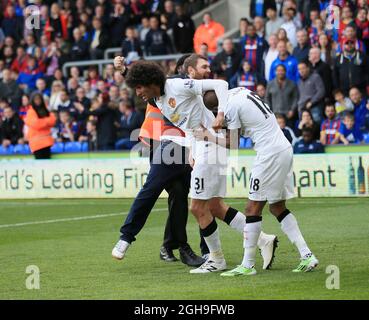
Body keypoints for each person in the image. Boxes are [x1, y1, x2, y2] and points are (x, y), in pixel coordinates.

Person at [112, 56, 278, 273]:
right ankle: (263, 240)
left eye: (140, 87)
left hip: (210, 144)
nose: (137, 93)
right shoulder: (158, 99)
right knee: (215, 206)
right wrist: (191, 148)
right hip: (201, 146)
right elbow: (188, 123)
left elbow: (221, 84)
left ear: (151, 82)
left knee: (197, 206)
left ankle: (216, 260)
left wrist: (220, 115)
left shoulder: (178, 85)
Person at [199, 88, 318, 276]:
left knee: (252, 208)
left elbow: (234, 143)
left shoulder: (229, 108)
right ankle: (307, 255)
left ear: (215, 109)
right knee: (277, 207)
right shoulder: (239, 91)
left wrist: (208, 136)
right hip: (283, 148)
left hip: (269, 154)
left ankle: (247, 265)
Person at [111, 56, 205, 267]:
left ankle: (186, 248)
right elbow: (146, 88)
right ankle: (127, 237)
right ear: (187, 69)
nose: (206, 70)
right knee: (153, 190)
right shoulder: (171, 87)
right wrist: (125, 70)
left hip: (190, 147)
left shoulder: (192, 90)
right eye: (203, 66)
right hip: (167, 145)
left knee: (184, 197)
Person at [24, 93, 56, 159]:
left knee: (47, 165)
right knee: (39, 166)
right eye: (36, 99)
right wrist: (47, 121)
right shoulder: (31, 111)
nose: (38, 101)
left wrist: (42, 121)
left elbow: (53, 121)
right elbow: (36, 124)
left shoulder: (46, 109)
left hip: (47, 142)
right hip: (36, 144)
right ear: (32, 100)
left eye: (39, 99)